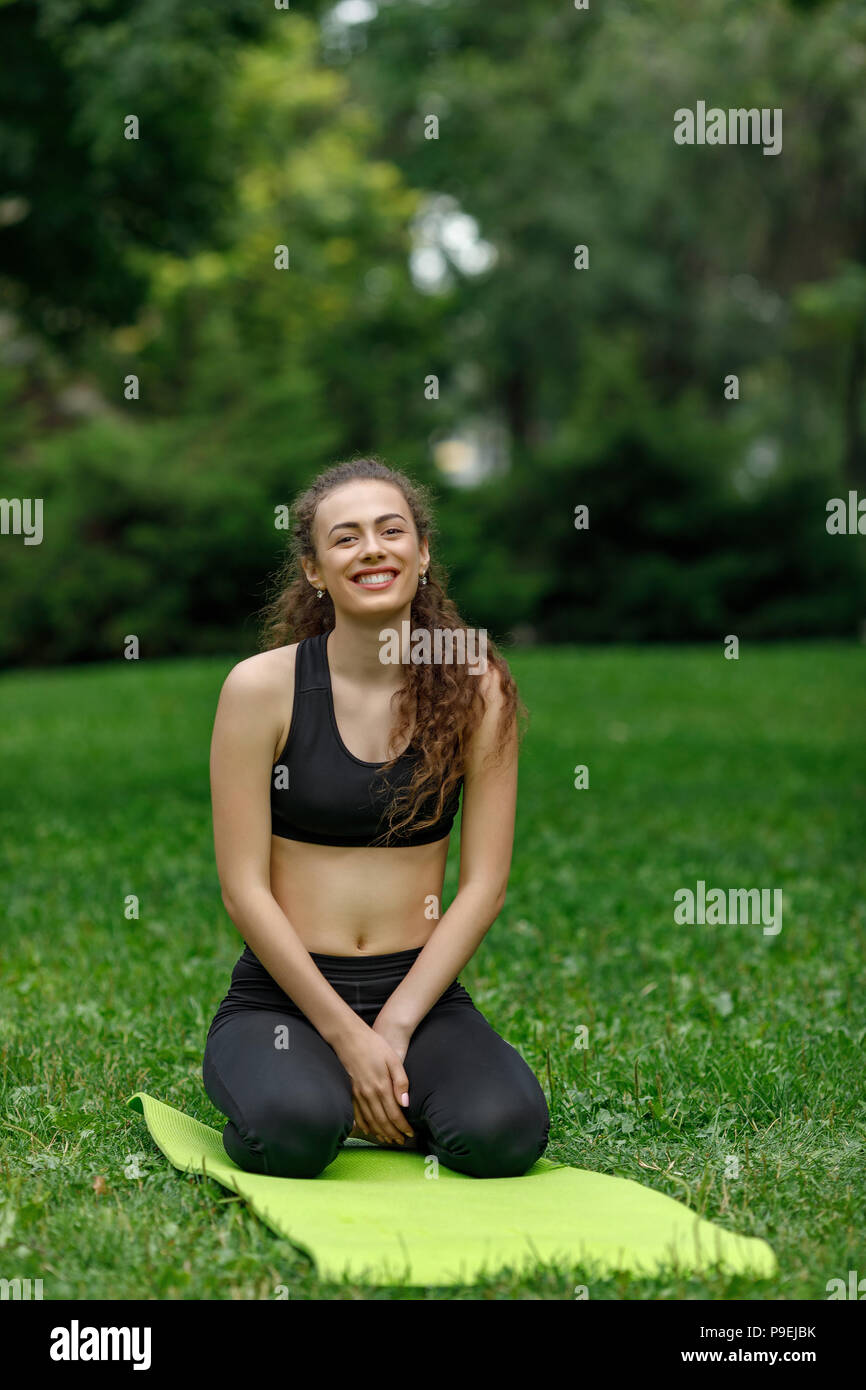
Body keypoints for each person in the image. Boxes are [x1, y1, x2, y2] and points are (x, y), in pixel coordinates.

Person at [202, 456, 550, 1179]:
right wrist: (344, 1038)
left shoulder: (477, 685)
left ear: (422, 554)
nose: (372, 549)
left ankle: (380, 1091)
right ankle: (321, 1090)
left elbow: (484, 885)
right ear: (314, 570)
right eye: (346, 538)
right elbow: (244, 889)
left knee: (504, 1134)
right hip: (284, 999)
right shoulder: (260, 689)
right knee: (296, 1131)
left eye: (391, 531)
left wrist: (391, 1028)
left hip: (418, 994)